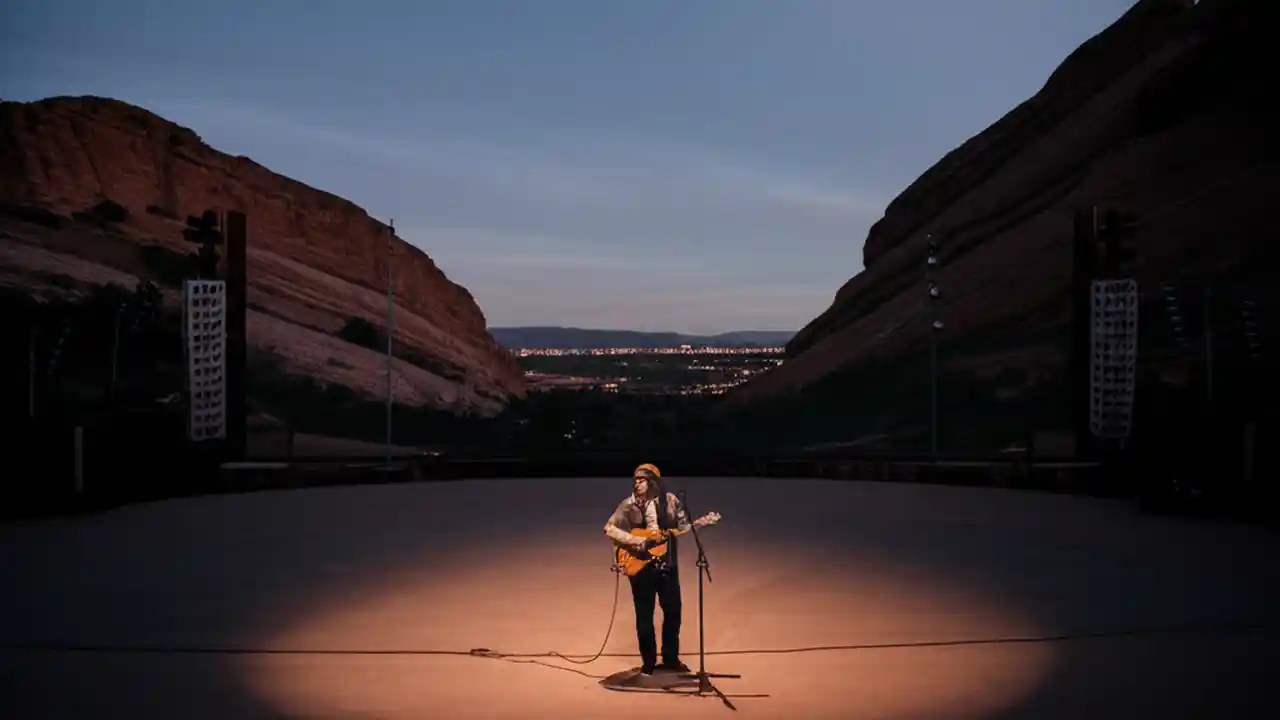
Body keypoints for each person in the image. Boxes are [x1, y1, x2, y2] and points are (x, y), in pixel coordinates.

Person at [603, 462, 691, 675]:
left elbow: (684, 527)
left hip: (666, 563)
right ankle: (648, 664)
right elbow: (609, 528)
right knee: (644, 615)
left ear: (654, 482)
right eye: (635, 480)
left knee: (673, 610)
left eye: (642, 480)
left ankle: (670, 659)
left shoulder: (670, 502)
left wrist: (696, 526)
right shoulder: (628, 505)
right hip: (641, 566)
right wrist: (634, 540)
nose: (637, 484)